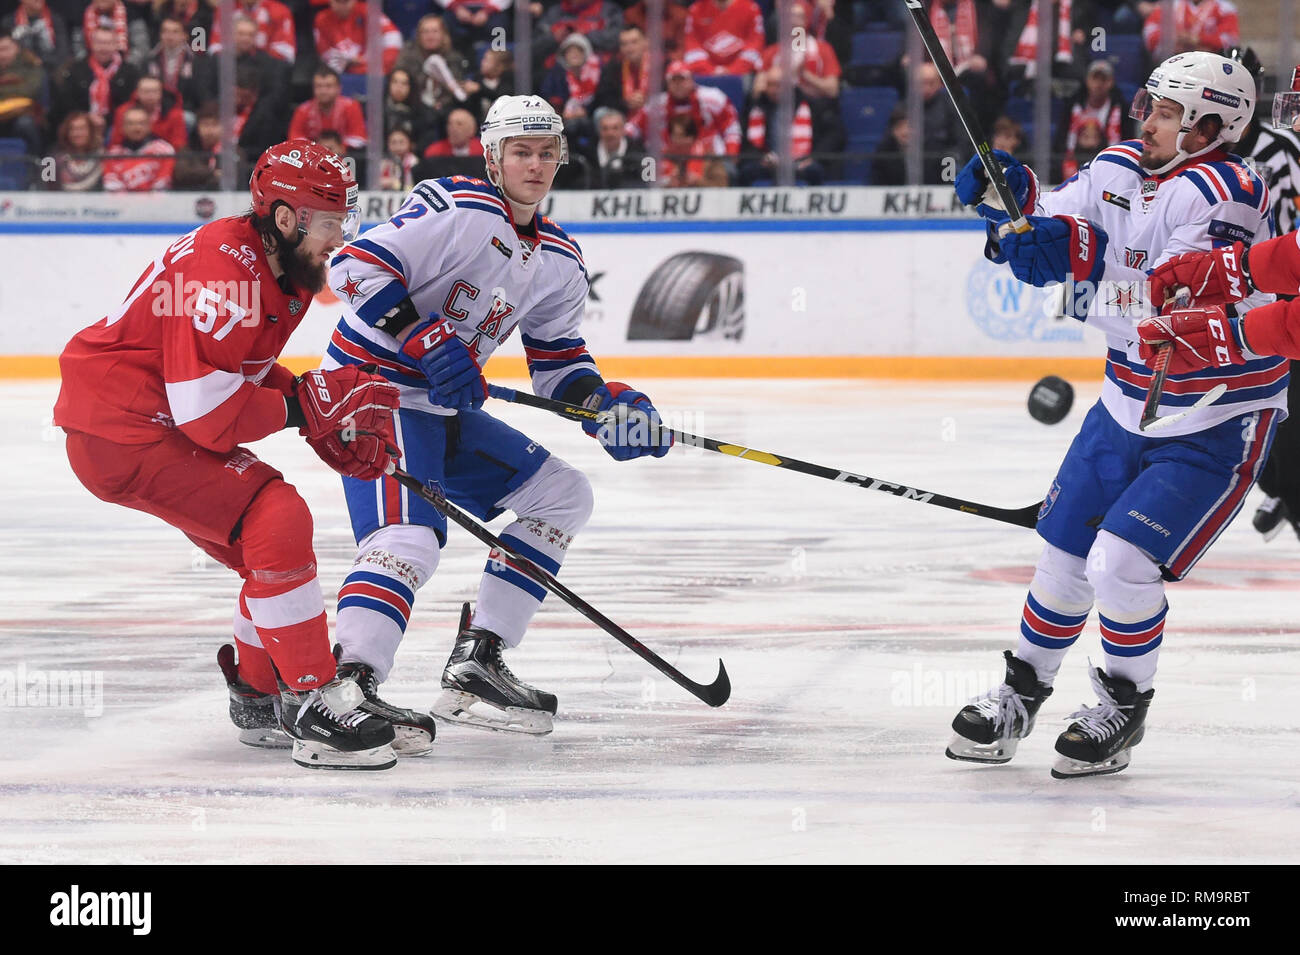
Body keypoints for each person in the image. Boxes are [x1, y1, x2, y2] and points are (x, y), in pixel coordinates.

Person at [947, 51, 1283, 778]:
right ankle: (1021, 690)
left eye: (1168, 111)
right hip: (1125, 399)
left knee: (1120, 562)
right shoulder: (1120, 165)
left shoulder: (1228, 191)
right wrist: (1011, 200)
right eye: (1151, 105)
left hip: (1215, 413)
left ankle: (1123, 708)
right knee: (1063, 554)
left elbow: (1174, 314)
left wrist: (1082, 262)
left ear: (1212, 125)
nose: (1148, 121)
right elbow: (1058, 217)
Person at [319, 94, 673, 737]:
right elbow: (351, 268)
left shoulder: (562, 261)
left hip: (441, 407)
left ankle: (479, 662)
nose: (535, 165)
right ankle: (347, 686)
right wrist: (420, 337)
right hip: (375, 395)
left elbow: (559, 362)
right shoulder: (453, 208)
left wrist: (606, 406)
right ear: (492, 157)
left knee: (562, 496)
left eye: (547, 153)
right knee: (409, 540)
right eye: (521, 152)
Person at [53, 140, 411, 771]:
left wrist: (303, 397)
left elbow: (239, 371)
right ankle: (311, 700)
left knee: (265, 544)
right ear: (285, 218)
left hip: (131, 419)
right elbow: (207, 419)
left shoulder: (284, 269)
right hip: (126, 429)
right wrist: (307, 408)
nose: (341, 236)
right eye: (331, 223)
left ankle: (260, 692)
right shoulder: (227, 273)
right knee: (276, 517)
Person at [289, 66, 367, 151]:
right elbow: (295, 139)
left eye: (328, 86)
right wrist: (317, 149)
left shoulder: (351, 106)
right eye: (319, 86)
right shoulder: (303, 110)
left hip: (345, 157)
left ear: (339, 88)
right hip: (311, 157)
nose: (323, 91)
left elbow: (358, 138)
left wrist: (341, 147)